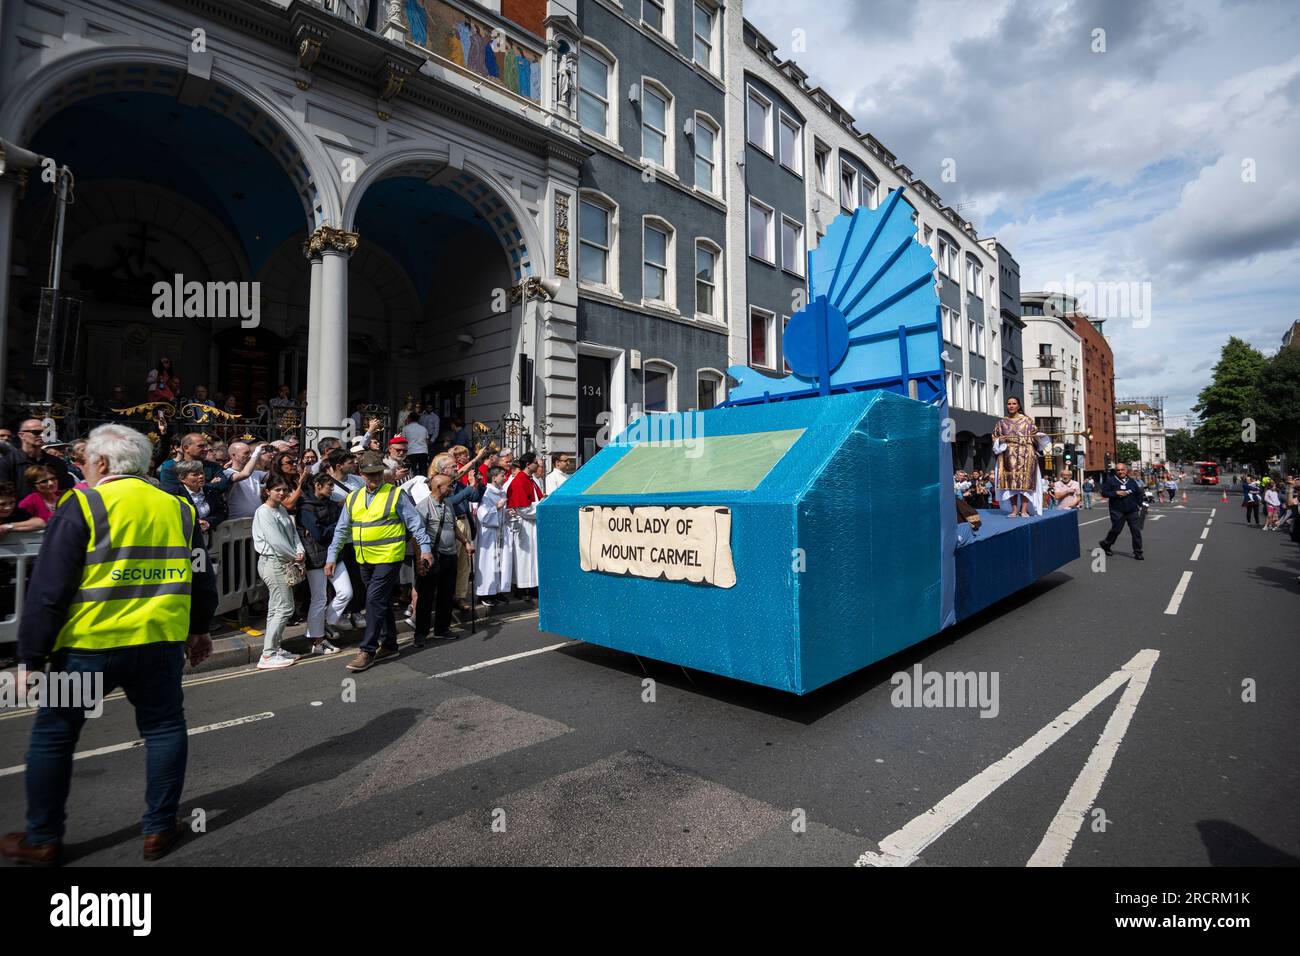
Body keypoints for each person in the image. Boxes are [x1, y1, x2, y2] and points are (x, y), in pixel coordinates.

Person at [2, 423, 216, 865]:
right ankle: (158, 830)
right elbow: (201, 574)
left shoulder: (82, 502)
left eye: (82, 462)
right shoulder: (178, 508)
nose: (81, 468)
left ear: (100, 463)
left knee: (54, 737)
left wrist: (30, 657)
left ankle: (43, 838)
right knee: (163, 729)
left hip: (86, 649)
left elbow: (48, 587)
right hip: (158, 645)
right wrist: (199, 630)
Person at [325, 451, 432, 673]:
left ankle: (367, 649)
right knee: (379, 601)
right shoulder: (353, 498)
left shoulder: (395, 494)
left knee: (373, 601)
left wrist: (426, 550)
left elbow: (415, 524)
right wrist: (331, 557)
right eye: (369, 474)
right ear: (361, 474)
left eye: (378, 473)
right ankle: (390, 644)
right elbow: (342, 529)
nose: (374, 478)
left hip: (389, 557)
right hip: (364, 558)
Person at [412, 474, 473, 645]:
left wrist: (466, 542)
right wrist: (420, 559)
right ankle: (420, 634)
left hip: (450, 555)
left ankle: (442, 629)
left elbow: (453, 526)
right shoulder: (423, 506)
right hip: (432, 556)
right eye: (449, 486)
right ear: (438, 487)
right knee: (426, 596)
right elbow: (417, 535)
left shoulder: (448, 503)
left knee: (447, 594)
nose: (452, 488)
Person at [251, 476, 303, 670]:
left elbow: (293, 533)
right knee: (284, 607)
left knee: (276, 608)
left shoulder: (281, 509)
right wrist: (295, 556)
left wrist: (300, 551)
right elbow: (276, 541)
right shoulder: (263, 513)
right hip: (272, 562)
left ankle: (275, 648)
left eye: (284, 490)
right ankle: (268, 655)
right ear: (267, 491)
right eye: (277, 490)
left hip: (284, 560)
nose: (282, 493)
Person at [298, 473, 351, 654]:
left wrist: (333, 528)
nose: (332, 489)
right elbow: (319, 534)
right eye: (329, 485)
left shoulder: (331, 503)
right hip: (316, 558)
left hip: (334, 554)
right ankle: (318, 642)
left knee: (346, 592)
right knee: (319, 599)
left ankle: (326, 623)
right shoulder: (306, 507)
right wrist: (336, 527)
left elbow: (338, 527)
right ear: (317, 485)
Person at [991, 398, 1047, 517]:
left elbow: (1034, 436)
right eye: (1009, 403)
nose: (1011, 406)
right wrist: (1000, 440)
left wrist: (1038, 436)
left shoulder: (1027, 421)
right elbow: (995, 438)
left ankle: (1024, 510)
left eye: (1014, 404)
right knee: (1011, 483)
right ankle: (1014, 510)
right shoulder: (1001, 423)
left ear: (1018, 406)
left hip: (1026, 453)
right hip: (1008, 455)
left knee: (1025, 482)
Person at [0, 418, 75, 498]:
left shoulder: (57, 463)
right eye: (36, 432)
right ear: (22, 435)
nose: (42, 435)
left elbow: (66, 490)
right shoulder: (6, 463)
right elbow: (4, 493)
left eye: (45, 432)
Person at [172, 459, 227, 557]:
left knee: (202, 569)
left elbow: (222, 512)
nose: (201, 476)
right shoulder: (175, 495)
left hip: (205, 544)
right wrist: (196, 523)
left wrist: (208, 522)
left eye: (201, 473)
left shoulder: (210, 491)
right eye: (195, 474)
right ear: (182, 479)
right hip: (183, 544)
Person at [475, 465, 513, 604]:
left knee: (501, 563)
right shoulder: (486, 493)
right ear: (494, 477)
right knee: (488, 563)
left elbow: (502, 513)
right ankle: (485, 594)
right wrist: (496, 507)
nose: (505, 478)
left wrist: (507, 513)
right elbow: (482, 516)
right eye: (502, 475)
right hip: (488, 534)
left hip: (500, 531)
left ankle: (497, 591)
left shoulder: (501, 491)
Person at [1098, 462, 1144, 560]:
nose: (1120, 472)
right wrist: (1115, 493)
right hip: (1117, 510)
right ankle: (1106, 544)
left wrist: (1140, 504)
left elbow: (1138, 493)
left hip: (1132, 510)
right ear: (1116, 471)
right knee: (1116, 530)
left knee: (1136, 531)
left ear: (1126, 470)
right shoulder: (1111, 481)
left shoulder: (1131, 481)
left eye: (1122, 470)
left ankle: (1138, 552)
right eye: (1118, 470)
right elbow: (1104, 493)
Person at [401, 412, 430, 478]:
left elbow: (403, 441)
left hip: (411, 451)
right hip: (423, 451)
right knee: (423, 471)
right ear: (418, 419)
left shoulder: (405, 428)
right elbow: (427, 441)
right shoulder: (423, 428)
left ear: (410, 419)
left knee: (412, 471)